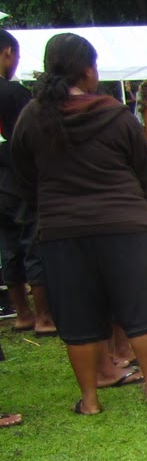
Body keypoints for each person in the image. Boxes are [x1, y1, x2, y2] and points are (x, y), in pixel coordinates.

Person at [10, 33, 147, 414]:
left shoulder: (32, 117)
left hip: (62, 231)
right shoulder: (116, 114)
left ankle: (90, 401)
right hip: (126, 225)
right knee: (142, 310)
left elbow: (23, 176)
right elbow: (143, 173)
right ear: (87, 70)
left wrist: (49, 210)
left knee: (78, 315)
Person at [0, 29, 54, 340]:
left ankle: (22, 313)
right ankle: (44, 317)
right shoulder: (14, 94)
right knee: (33, 246)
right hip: (18, 181)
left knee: (7, 249)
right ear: (8, 52)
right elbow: (32, 138)